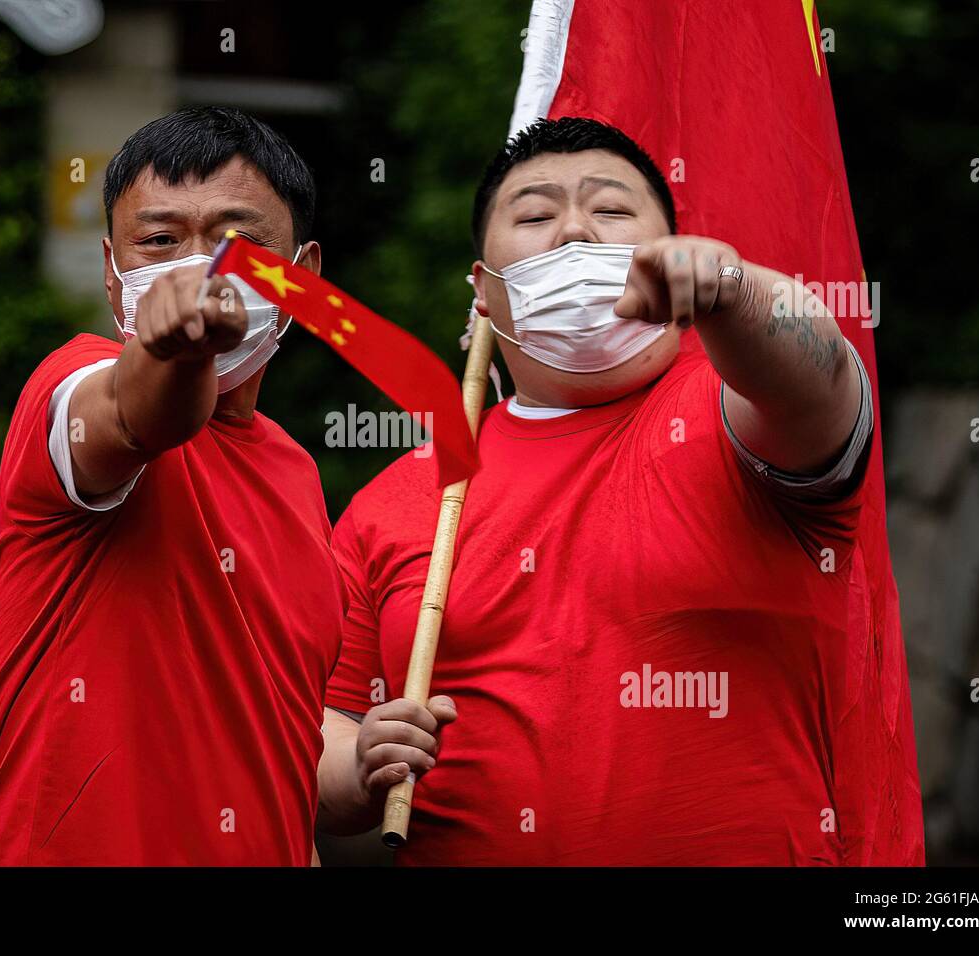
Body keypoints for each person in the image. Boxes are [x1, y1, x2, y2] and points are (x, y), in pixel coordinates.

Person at [317, 117, 921, 865]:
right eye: (536, 215)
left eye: (611, 210)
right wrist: (357, 763)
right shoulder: (398, 499)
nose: (574, 231)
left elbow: (822, 370)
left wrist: (731, 287)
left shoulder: (741, 416)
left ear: (673, 250)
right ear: (481, 290)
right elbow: (318, 733)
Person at [0, 107, 345, 865]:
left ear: (302, 277)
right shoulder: (69, 388)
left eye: (238, 244)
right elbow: (135, 416)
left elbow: (277, 746)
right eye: (160, 240)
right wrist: (171, 352)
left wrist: (362, 774)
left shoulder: (299, 477)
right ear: (113, 272)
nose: (199, 267)